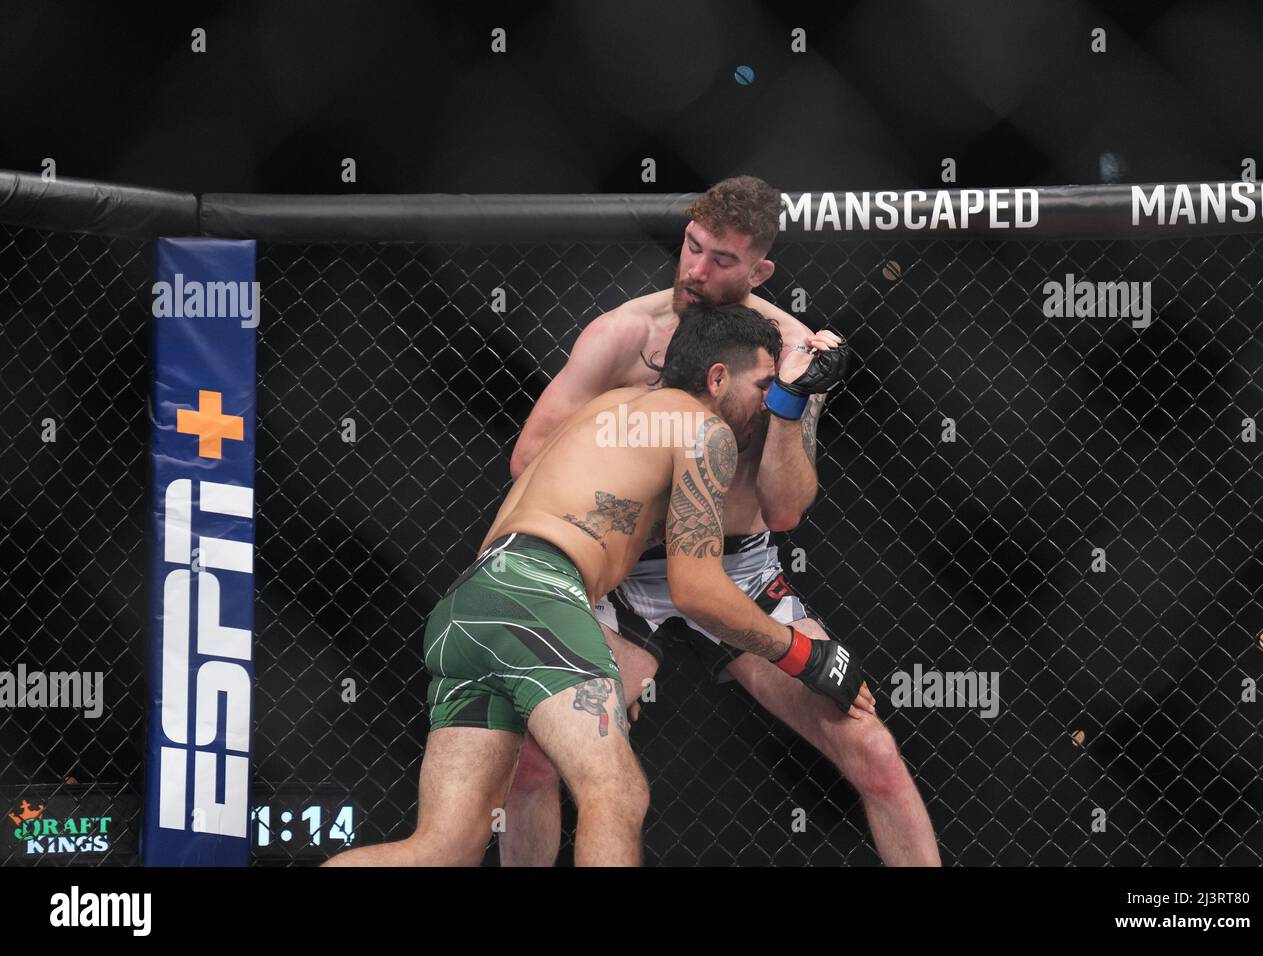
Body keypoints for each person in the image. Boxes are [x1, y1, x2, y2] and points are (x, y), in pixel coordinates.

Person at [323, 305, 872, 866]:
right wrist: (805, 655)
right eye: (762, 386)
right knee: (616, 793)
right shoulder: (704, 430)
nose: (768, 403)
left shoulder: (607, 409)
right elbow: (697, 590)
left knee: (443, 848)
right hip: (538, 596)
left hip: (472, 606)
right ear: (716, 378)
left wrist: (593, 665)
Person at [502, 175, 941, 867]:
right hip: (626, 571)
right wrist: (639, 475)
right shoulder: (625, 335)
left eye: (722, 260)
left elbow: (785, 510)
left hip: (740, 569)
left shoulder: (790, 351)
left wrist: (787, 402)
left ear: (759, 271)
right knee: (535, 758)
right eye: (692, 246)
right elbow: (529, 460)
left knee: (875, 753)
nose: (696, 271)